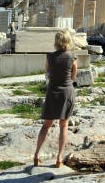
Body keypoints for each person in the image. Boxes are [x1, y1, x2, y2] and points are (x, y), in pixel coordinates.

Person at [34, 30, 77, 168]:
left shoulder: (50, 57)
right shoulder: (72, 58)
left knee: (46, 125)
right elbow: (73, 77)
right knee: (64, 125)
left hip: (53, 91)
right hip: (67, 92)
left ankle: (36, 155)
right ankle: (59, 158)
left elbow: (47, 72)